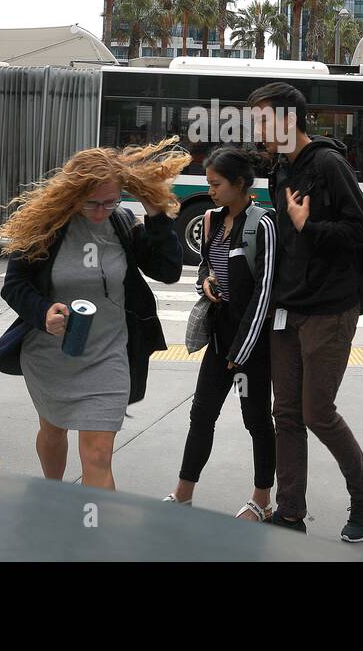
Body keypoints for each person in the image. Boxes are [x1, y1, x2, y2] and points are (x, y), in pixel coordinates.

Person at [0, 137, 188, 489]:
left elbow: (169, 270)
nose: (100, 212)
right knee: (53, 431)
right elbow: (14, 285)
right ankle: (54, 492)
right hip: (52, 354)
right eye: (91, 204)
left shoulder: (123, 224)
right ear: (72, 194)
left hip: (110, 354)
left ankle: (94, 533)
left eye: (110, 202)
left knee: (97, 453)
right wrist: (42, 312)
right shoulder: (44, 227)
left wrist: (156, 213)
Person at [247, 81, 363, 543]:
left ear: (288, 121)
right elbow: (286, 245)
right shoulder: (280, 171)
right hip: (287, 310)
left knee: (316, 412)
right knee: (284, 413)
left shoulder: (328, 163)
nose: (257, 129)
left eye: (263, 119)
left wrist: (311, 226)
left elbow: (362, 233)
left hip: (329, 309)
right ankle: (290, 514)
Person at [163, 147, 278, 520]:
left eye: (216, 184)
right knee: (202, 414)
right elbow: (204, 269)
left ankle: (262, 499)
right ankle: (183, 493)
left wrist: (241, 351)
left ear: (240, 184)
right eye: (209, 183)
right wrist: (206, 282)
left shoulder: (263, 225)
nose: (210, 190)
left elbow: (266, 293)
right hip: (218, 336)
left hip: (251, 344)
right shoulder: (212, 220)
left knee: (256, 419)